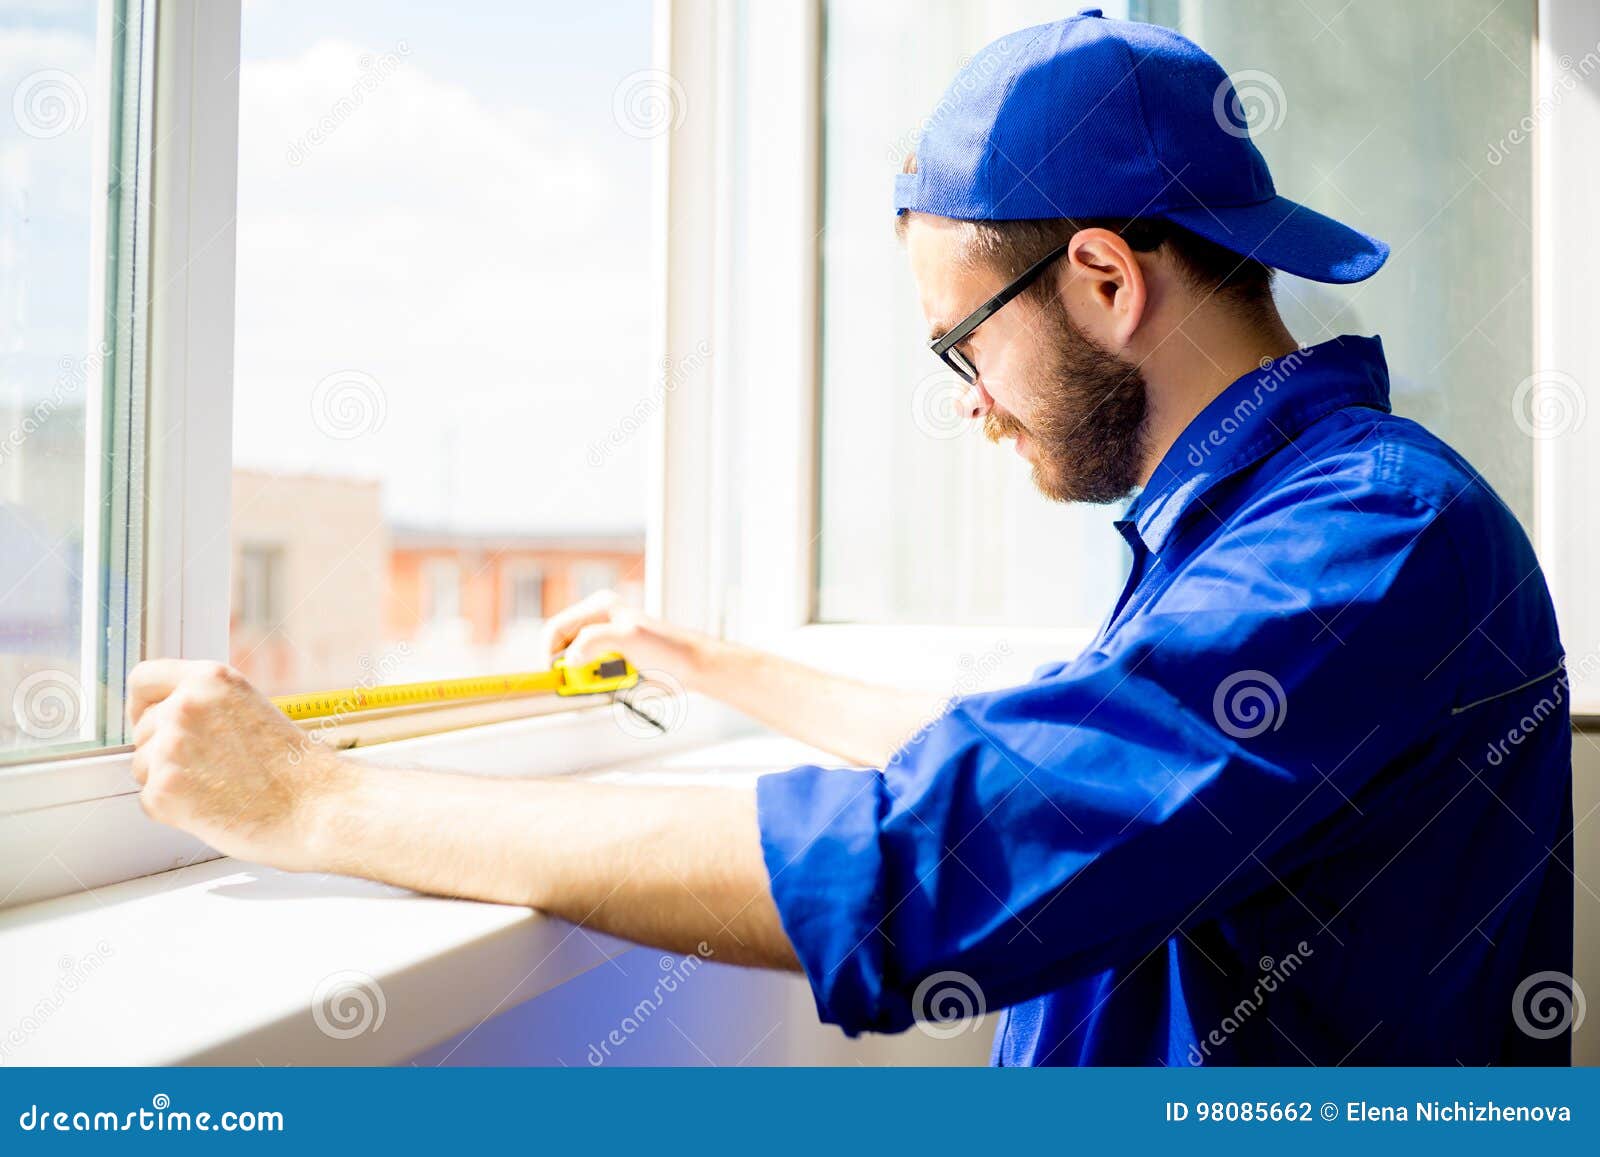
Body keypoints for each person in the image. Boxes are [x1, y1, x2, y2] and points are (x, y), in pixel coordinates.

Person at [128, 11, 1572, 1065]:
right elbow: (1045, 760)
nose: (972, 410)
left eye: (960, 347)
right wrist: (706, 659)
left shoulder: (1367, 543)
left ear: (1106, 279)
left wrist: (320, 806)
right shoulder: (1264, 521)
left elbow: (940, 856)